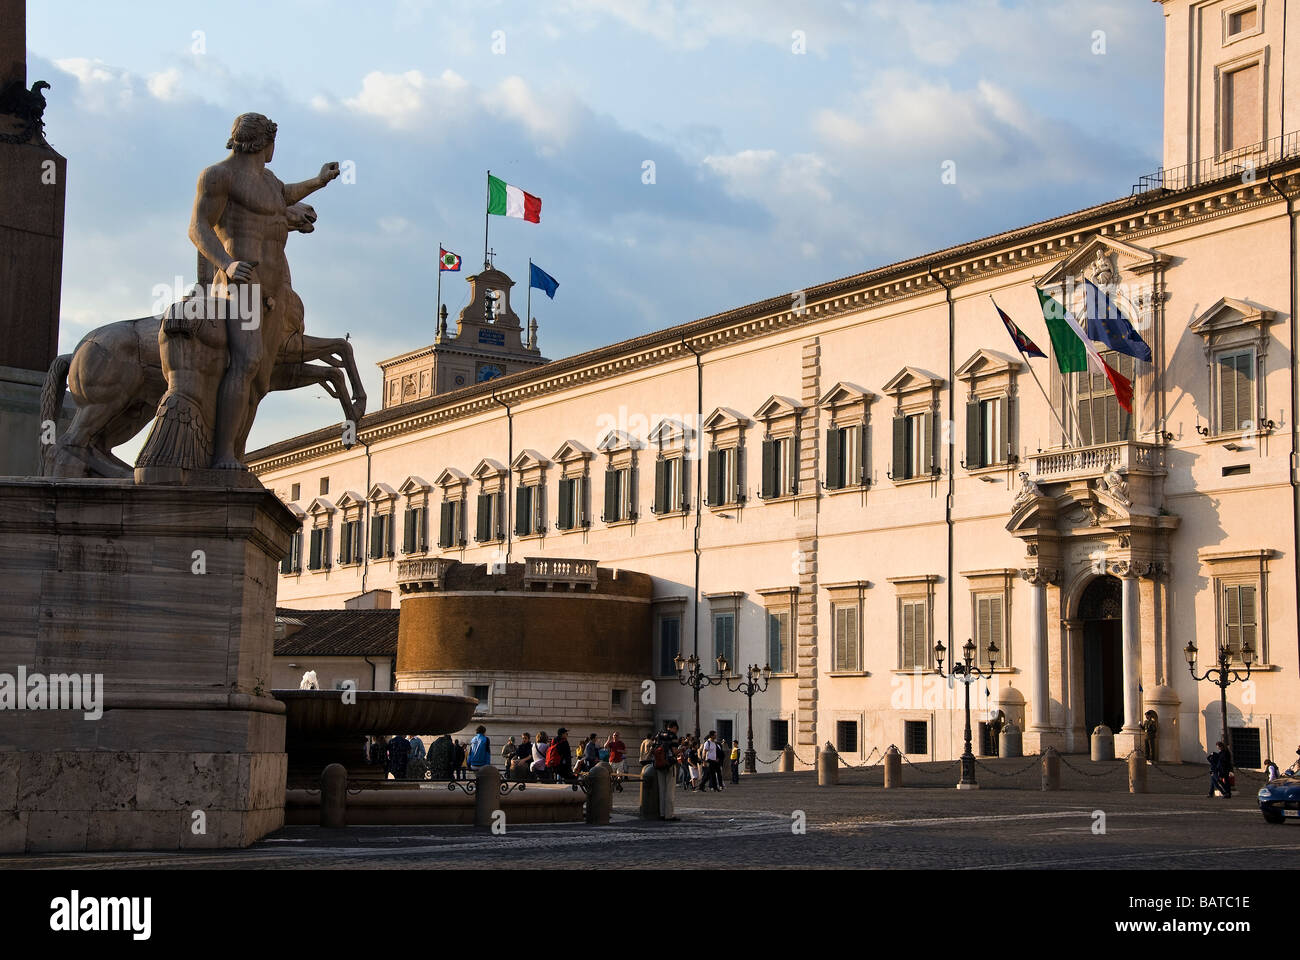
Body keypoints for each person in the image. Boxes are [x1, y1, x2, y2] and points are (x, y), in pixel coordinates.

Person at [651, 722, 681, 821]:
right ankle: (669, 815)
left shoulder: (658, 734)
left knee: (662, 790)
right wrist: (683, 749)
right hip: (669, 764)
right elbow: (674, 751)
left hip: (658, 764)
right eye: (677, 729)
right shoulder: (672, 736)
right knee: (670, 791)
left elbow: (652, 747)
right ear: (674, 728)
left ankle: (662, 813)